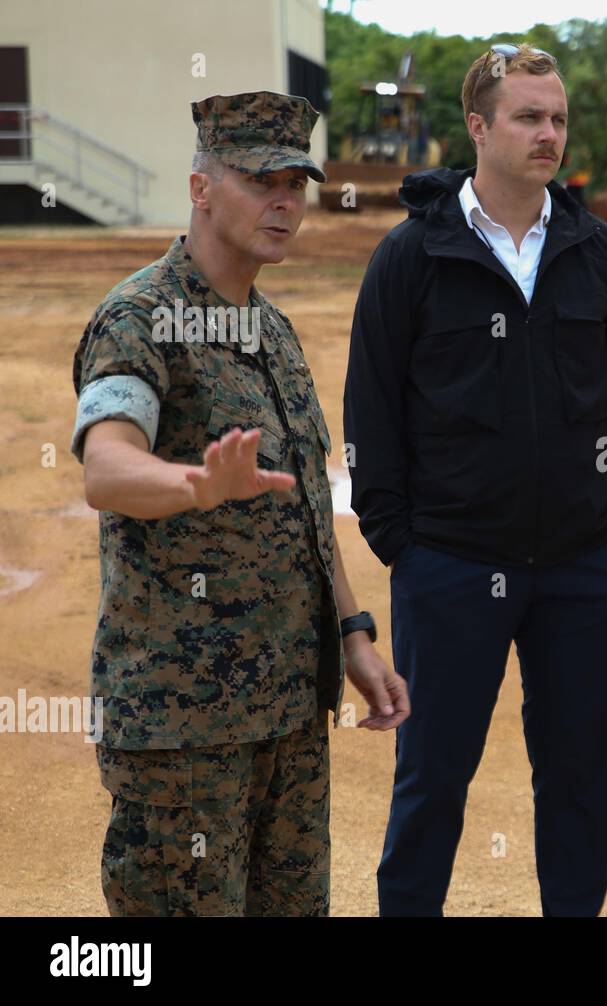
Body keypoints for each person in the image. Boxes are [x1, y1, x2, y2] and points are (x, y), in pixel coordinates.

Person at [70, 91, 408, 917]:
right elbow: (107, 468)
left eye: (297, 182)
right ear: (202, 189)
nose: (285, 202)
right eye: (262, 181)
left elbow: (306, 513)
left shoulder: (275, 332)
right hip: (183, 727)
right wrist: (196, 484)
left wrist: (353, 634)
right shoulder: (139, 318)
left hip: (290, 713)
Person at [344, 43, 607, 916]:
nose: (548, 133)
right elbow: (370, 411)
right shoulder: (411, 256)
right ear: (478, 127)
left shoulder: (597, 251)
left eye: (557, 117)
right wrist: (401, 544)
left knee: (580, 779)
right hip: (451, 563)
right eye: (529, 116)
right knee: (433, 783)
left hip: (589, 566)